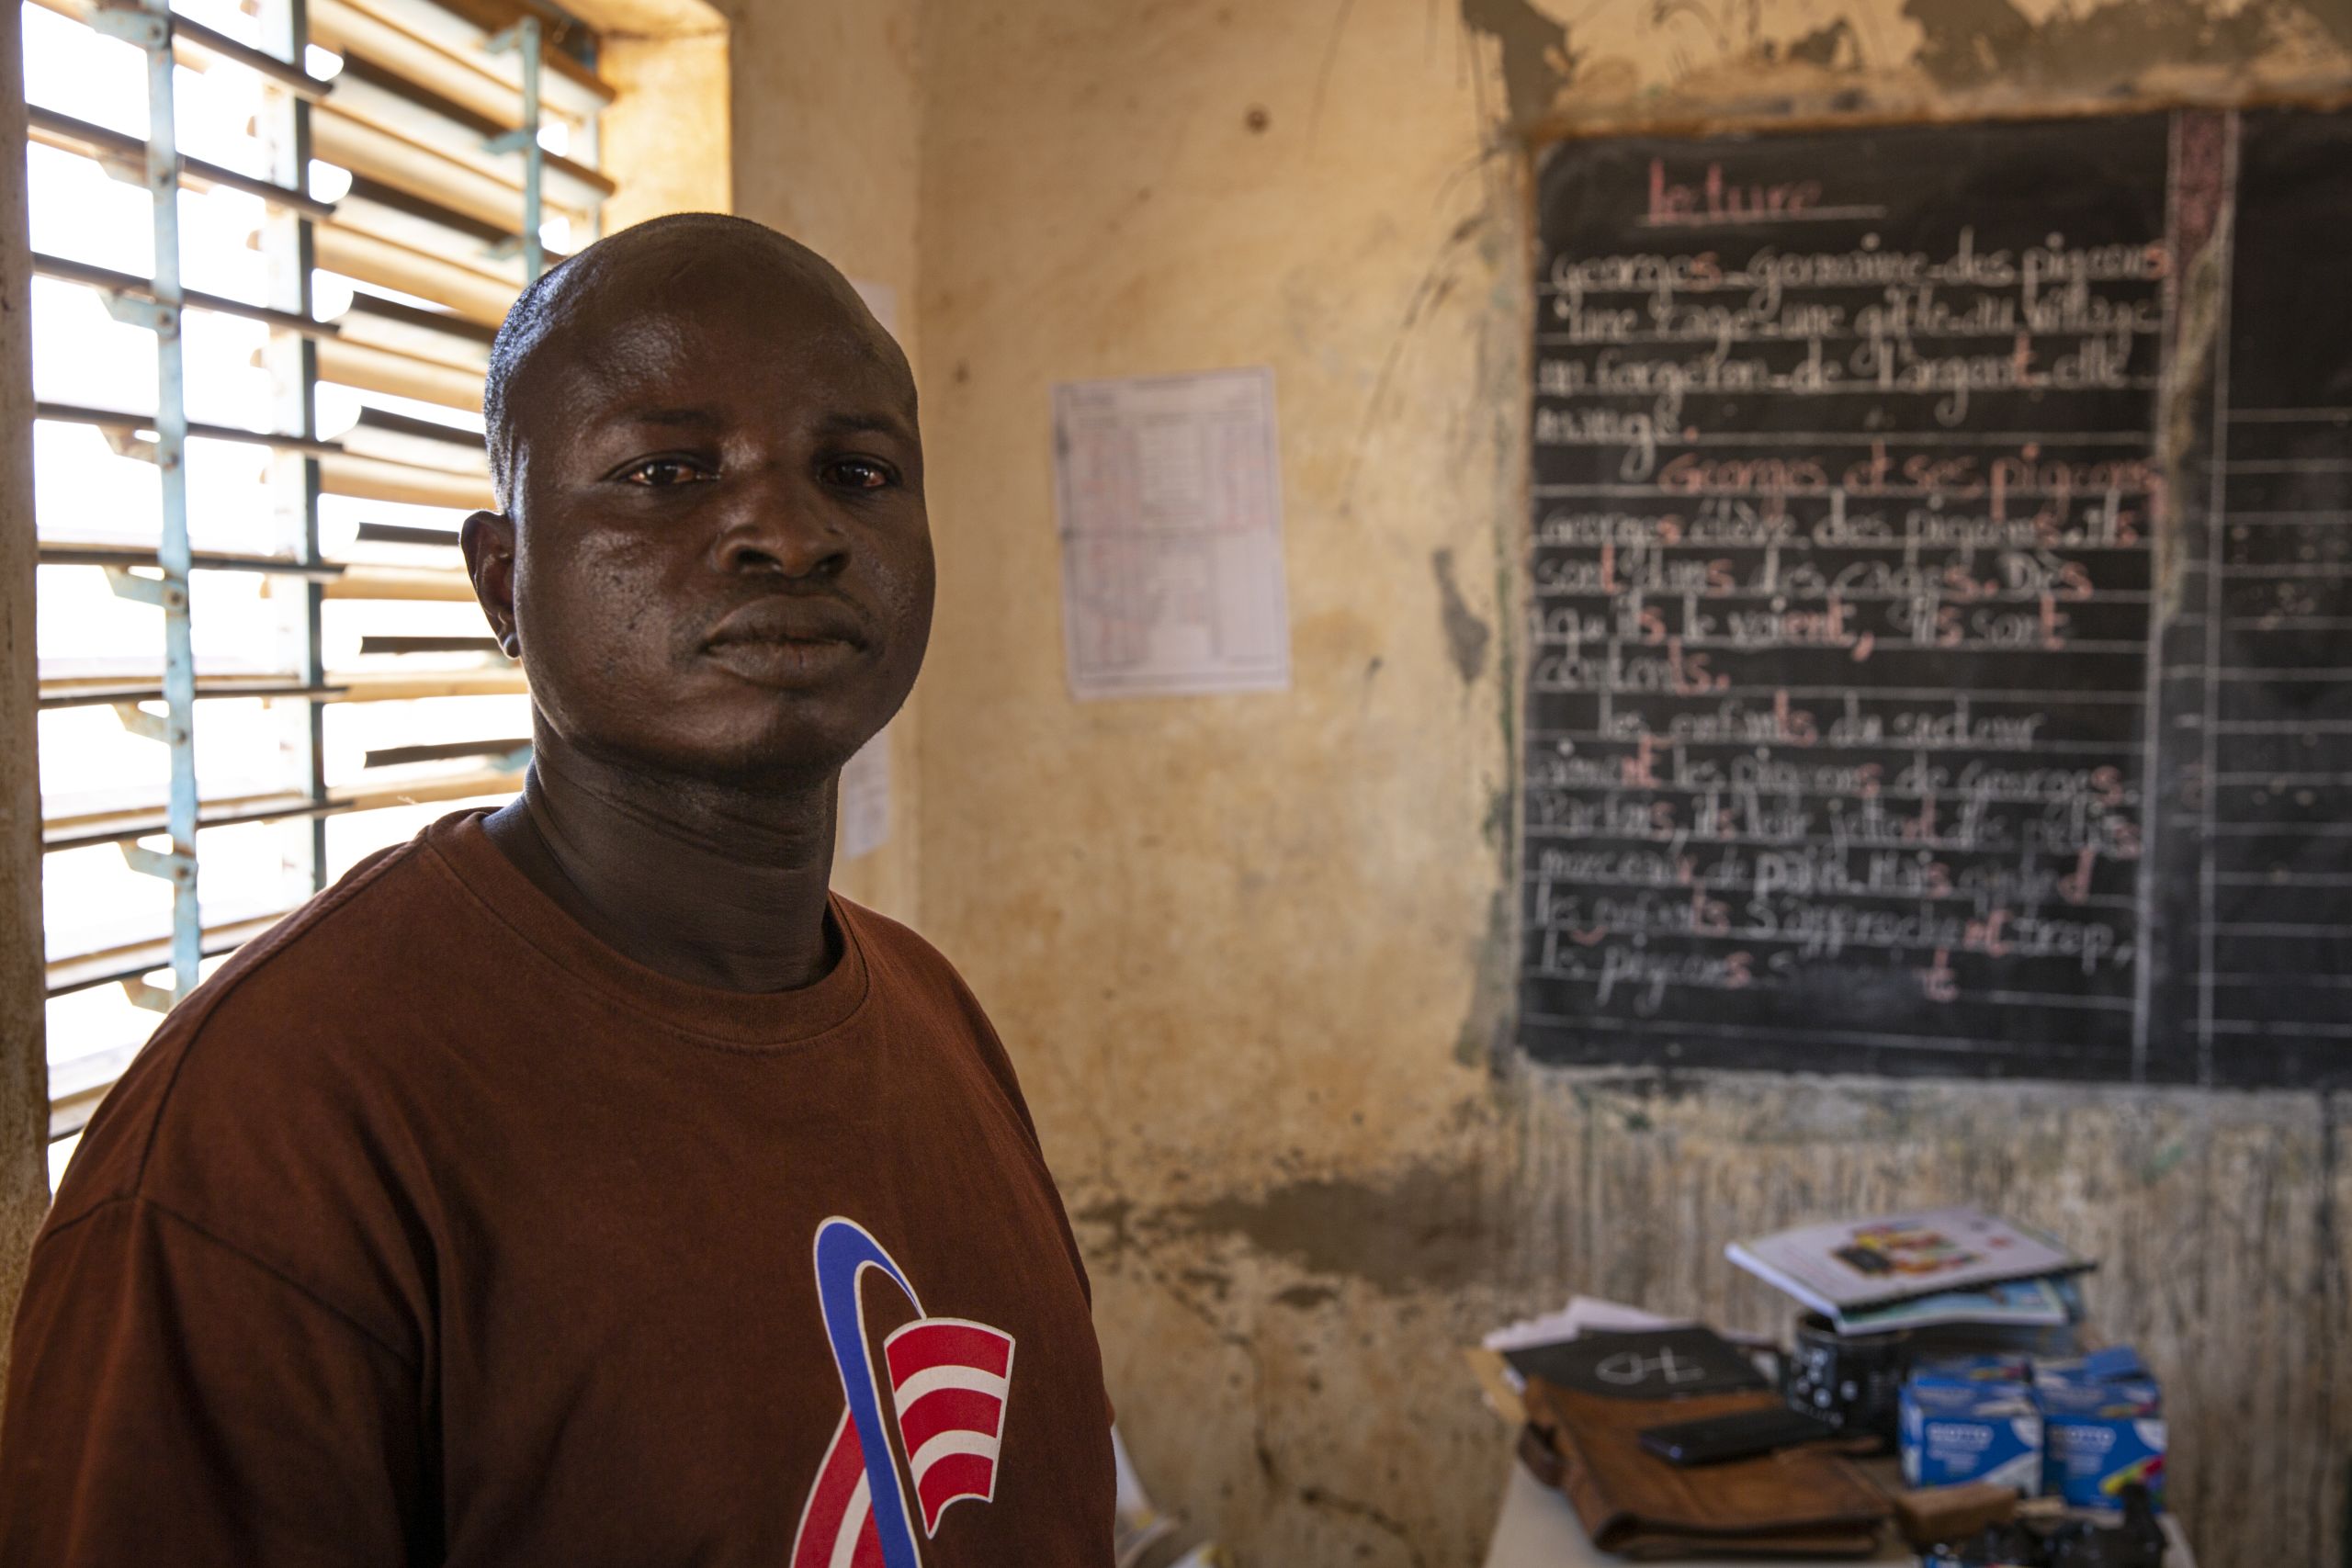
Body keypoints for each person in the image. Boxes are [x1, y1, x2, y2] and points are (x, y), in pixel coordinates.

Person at [0, 213, 1115, 1566]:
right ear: (501, 582)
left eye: (859, 469)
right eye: (666, 471)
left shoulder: (932, 1019)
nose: (787, 529)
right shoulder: (275, 1129)